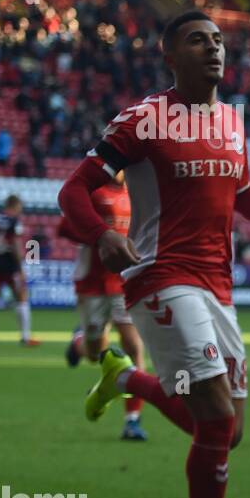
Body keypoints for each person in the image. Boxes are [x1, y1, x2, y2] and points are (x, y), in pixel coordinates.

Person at [58, 10, 250, 498]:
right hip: (160, 276)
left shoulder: (232, 121)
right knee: (217, 413)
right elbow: (73, 188)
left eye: (218, 40)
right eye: (197, 40)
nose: (213, 48)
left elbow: (244, 195)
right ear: (169, 56)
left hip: (218, 286)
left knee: (228, 432)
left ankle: (126, 380)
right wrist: (102, 234)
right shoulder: (145, 119)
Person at [59, 170, 149, 439]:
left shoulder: (137, 196)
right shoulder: (93, 193)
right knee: (94, 353)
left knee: (134, 347)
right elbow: (63, 227)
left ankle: (132, 421)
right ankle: (79, 342)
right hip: (93, 285)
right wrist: (99, 237)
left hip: (124, 283)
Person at [0, 194, 38, 347]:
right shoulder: (14, 221)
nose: (21, 209)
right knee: (22, 298)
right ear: (14, 205)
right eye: (20, 206)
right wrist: (20, 267)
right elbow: (14, 243)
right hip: (9, 264)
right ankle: (25, 337)